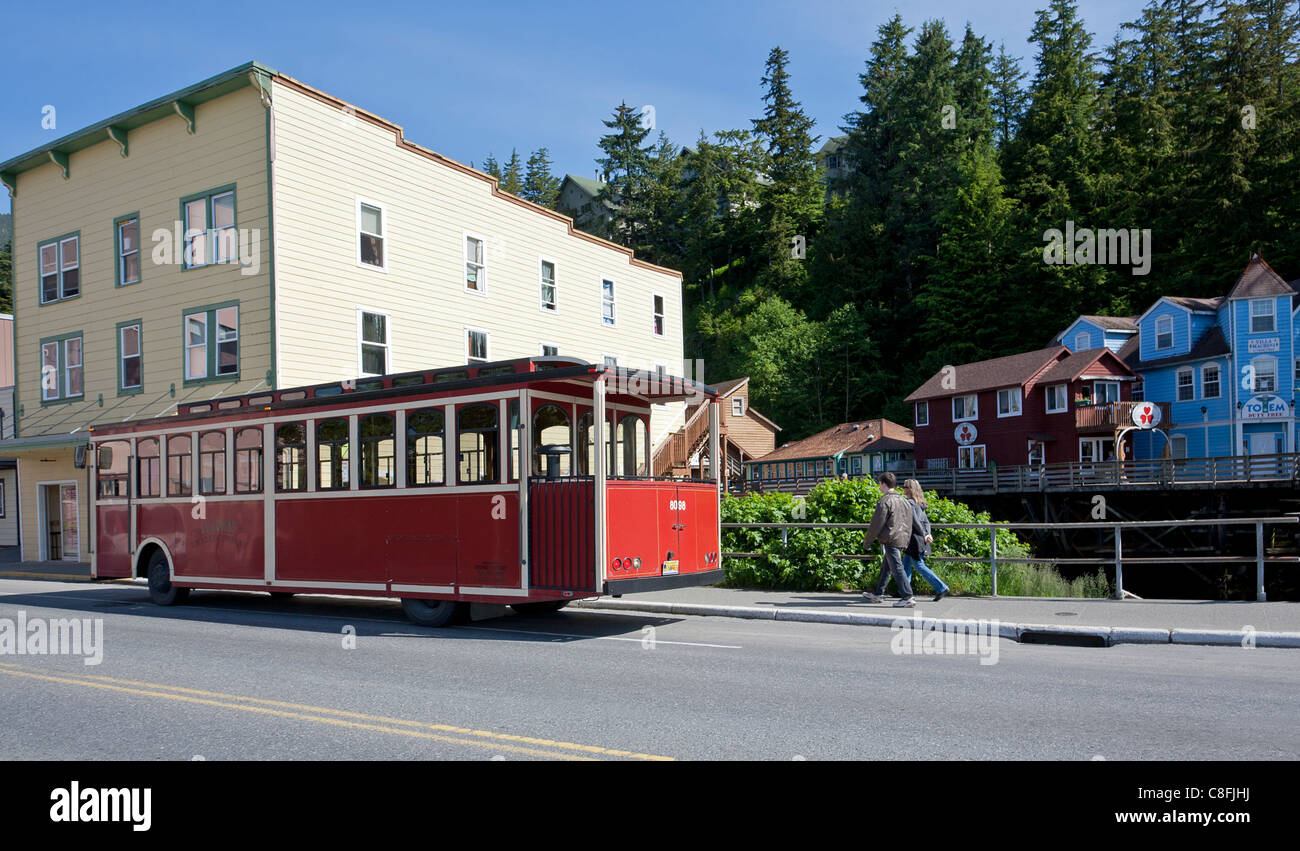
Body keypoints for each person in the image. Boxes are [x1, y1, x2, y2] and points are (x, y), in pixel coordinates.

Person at [860, 472, 915, 607]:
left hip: (890, 539)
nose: (879, 486)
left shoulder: (885, 501)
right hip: (902, 538)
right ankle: (878, 593)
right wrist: (906, 539)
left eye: (879, 483)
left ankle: (907, 596)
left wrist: (867, 542)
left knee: (896, 568)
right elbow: (909, 522)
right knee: (887, 566)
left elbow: (876, 524)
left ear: (883, 484)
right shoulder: (904, 501)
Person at [900, 478, 949, 602]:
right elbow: (926, 522)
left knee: (919, 565)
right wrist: (928, 534)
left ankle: (941, 588)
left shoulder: (910, 503)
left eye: (905, 486)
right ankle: (904, 590)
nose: (903, 488)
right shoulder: (920, 503)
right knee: (906, 563)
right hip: (920, 538)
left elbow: (915, 522)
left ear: (910, 489)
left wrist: (924, 534)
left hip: (914, 538)